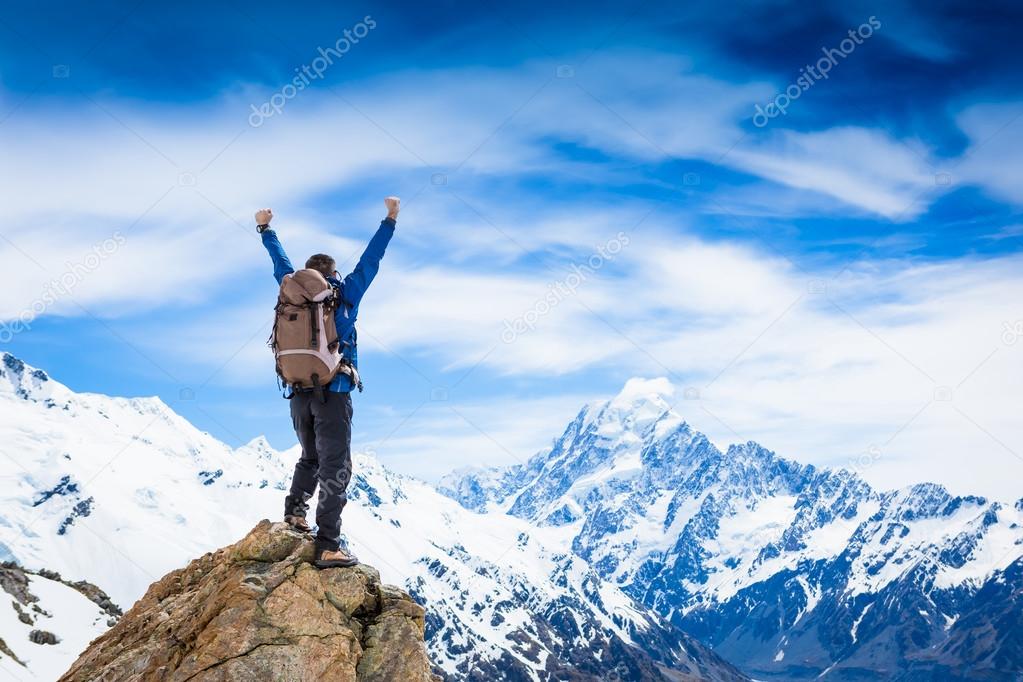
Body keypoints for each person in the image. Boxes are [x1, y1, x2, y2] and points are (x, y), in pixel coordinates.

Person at [256, 197, 399, 568]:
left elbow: (280, 263)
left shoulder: (291, 289)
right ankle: (328, 545)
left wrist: (265, 229)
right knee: (336, 468)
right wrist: (390, 220)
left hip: (296, 392)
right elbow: (371, 260)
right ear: (332, 274)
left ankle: (294, 513)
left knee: (311, 457)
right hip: (333, 394)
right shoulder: (344, 294)